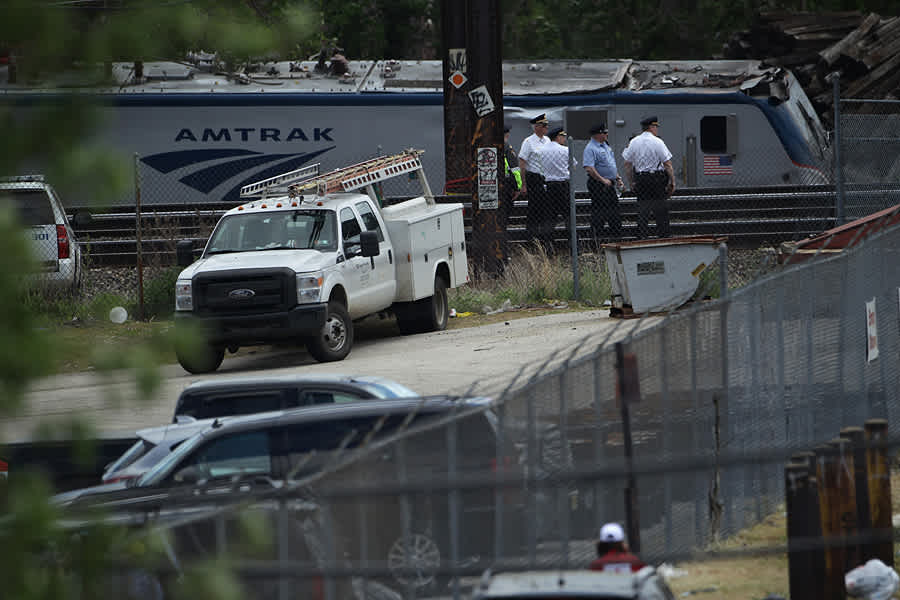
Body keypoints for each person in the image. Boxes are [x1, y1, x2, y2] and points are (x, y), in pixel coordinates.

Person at [622, 116, 675, 239]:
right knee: (661, 211)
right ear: (652, 127)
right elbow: (667, 163)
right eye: (656, 127)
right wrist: (672, 182)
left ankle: (641, 237)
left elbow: (627, 164)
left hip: (641, 179)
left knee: (643, 211)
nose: (657, 129)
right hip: (657, 180)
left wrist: (631, 182)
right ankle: (664, 237)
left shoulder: (634, 142)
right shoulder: (658, 142)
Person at [583, 123, 623, 240]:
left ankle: (616, 238)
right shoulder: (591, 148)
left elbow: (610, 164)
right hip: (599, 185)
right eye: (604, 133)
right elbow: (589, 168)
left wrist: (618, 178)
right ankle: (596, 240)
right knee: (599, 213)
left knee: (614, 213)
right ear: (598, 134)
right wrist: (603, 180)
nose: (607, 135)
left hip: (609, 183)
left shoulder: (605, 146)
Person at [518, 113, 551, 245]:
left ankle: (544, 238)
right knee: (534, 209)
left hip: (546, 178)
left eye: (546, 126)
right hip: (534, 178)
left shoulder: (547, 140)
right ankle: (531, 239)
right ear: (537, 127)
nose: (546, 128)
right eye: (544, 126)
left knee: (546, 209)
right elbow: (522, 162)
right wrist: (523, 184)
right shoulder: (528, 142)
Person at [540, 126, 574, 251]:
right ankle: (573, 245)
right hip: (563, 185)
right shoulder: (565, 150)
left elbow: (540, 167)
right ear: (558, 137)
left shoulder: (542, 150)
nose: (564, 139)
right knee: (568, 216)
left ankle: (549, 246)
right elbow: (573, 166)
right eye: (563, 136)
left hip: (549, 186)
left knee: (550, 217)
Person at [500, 125, 522, 233]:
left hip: (495, 183)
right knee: (505, 213)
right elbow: (514, 170)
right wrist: (517, 187)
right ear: (507, 134)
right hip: (506, 185)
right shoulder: (507, 148)